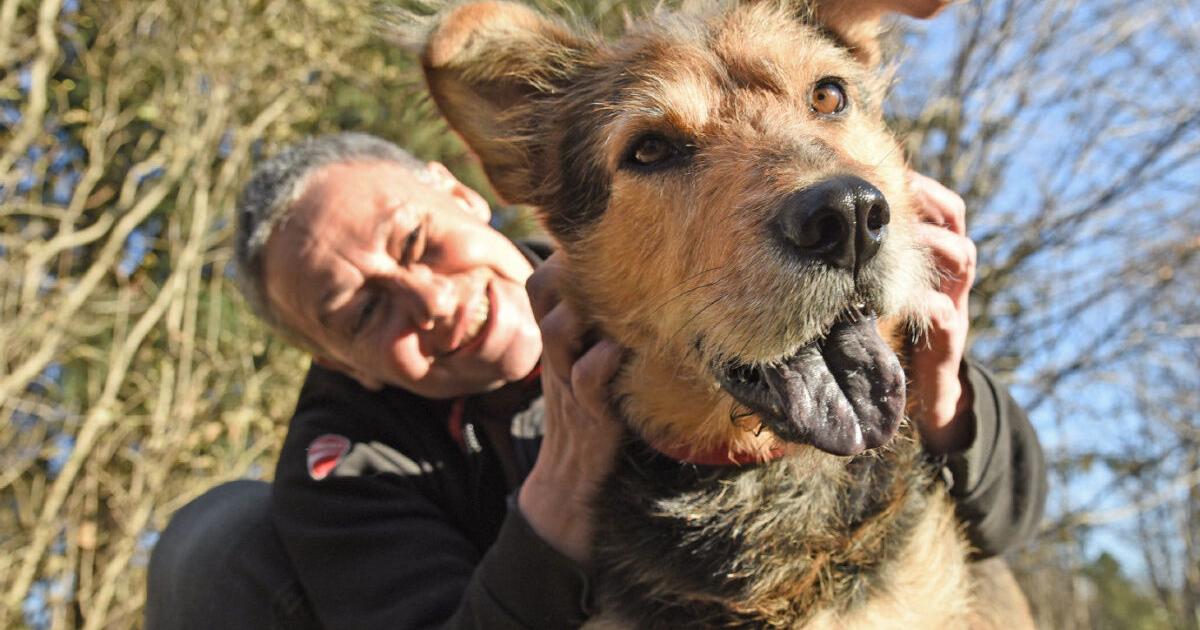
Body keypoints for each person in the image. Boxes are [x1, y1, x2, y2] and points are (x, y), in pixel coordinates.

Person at [145, 133, 1046, 629]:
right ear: (338, 362)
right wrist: (566, 482)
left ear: (462, 194)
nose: (431, 302)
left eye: (421, 245)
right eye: (362, 313)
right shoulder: (347, 463)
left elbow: (1008, 516)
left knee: (978, 562)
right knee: (217, 538)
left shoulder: (660, 266)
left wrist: (940, 392)